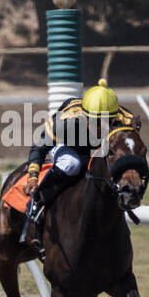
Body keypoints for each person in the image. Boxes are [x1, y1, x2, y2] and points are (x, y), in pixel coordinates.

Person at [18, 78, 131, 247]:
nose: (101, 127)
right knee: (72, 163)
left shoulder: (124, 120)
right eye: (95, 121)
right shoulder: (66, 121)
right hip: (68, 148)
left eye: (107, 121)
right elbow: (38, 148)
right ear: (85, 117)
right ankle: (39, 200)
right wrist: (33, 177)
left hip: (96, 153)